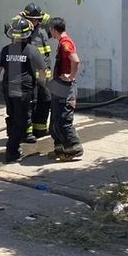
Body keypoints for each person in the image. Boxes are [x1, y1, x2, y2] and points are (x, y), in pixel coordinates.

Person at [0, 17, 46, 163]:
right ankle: (12, 150)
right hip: (24, 91)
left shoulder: (5, 50)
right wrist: (41, 84)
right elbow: (43, 72)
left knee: (12, 116)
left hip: (7, 90)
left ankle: (12, 141)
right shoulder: (33, 51)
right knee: (21, 121)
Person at [15, 3, 53, 142]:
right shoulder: (22, 30)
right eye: (32, 19)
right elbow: (9, 26)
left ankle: (41, 130)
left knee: (45, 102)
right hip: (29, 76)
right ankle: (27, 132)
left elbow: (54, 21)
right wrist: (21, 17)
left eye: (37, 19)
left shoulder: (44, 29)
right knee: (30, 104)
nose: (35, 21)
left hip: (44, 76)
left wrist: (41, 16)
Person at [47, 17, 83, 160]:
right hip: (59, 86)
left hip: (65, 87)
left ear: (54, 29)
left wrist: (71, 76)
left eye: (50, 29)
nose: (50, 32)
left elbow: (75, 60)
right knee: (55, 121)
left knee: (63, 121)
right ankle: (60, 149)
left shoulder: (65, 43)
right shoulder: (62, 43)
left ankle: (73, 149)